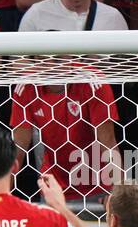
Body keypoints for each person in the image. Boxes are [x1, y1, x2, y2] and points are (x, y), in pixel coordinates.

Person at [11, 70, 122, 204]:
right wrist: (0, 196)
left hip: (97, 186)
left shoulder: (93, 82)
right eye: (43, 58)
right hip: (53, 187)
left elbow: (108, 143)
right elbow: (18, 149)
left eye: (58, 57)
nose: (51, 66)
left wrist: (117, 192)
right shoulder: (26, 85)